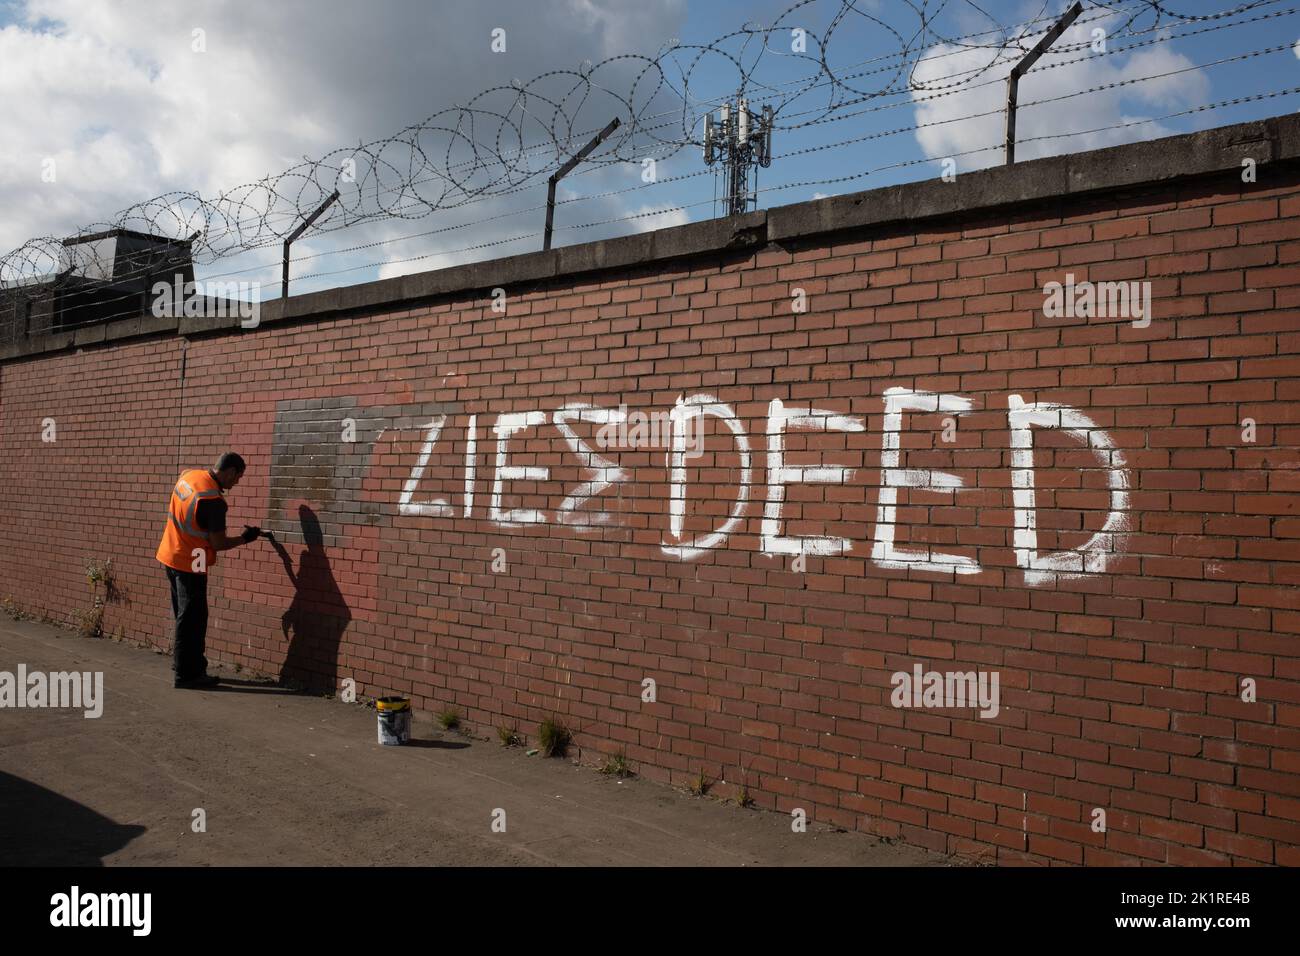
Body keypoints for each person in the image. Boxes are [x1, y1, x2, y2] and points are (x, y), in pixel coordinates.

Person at [155, 452, 263, 688]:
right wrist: (246, 538)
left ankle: (184, 664)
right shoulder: (213, 501)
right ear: (231, 471)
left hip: (170, 554)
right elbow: (219, 544)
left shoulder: (189, 476)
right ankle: (187, 675)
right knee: (193, 620)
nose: (236, 484)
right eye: (238, 478)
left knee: (183, 616)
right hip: (192, 561)